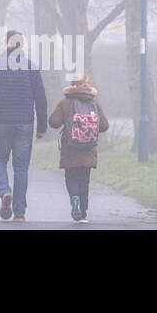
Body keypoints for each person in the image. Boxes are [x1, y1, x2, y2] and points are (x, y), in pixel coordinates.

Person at [0, 29, 47, 222]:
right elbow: (41, 99)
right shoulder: (31, 68)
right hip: (24, 123)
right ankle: (20, 212)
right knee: (21, 168)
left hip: (1, 122)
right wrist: (42, 126)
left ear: (5, 44)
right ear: (20, 45)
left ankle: (4, 190)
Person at [48, 74, 110, 224]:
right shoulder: (93, 103)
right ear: (87, 84)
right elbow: (104, 126)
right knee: (84, 180)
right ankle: (83, 213)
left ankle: (74, 197)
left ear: (72, 84)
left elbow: (54, 122)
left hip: (70, 148)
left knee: (71, 176)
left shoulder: (65, 102)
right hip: (88, 150)